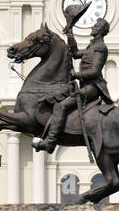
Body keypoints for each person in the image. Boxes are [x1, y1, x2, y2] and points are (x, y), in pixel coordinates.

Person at [34, 17, 113, 153]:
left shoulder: (100, 47)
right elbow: (75, 53)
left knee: (61, 105)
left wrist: (76, 75)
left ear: (101, 30)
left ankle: (50, 142)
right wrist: (70, 34)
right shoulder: (92, 46)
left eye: (96, 26)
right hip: (84, 86)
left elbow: (95, 71)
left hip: (92, 88)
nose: (93, 27)